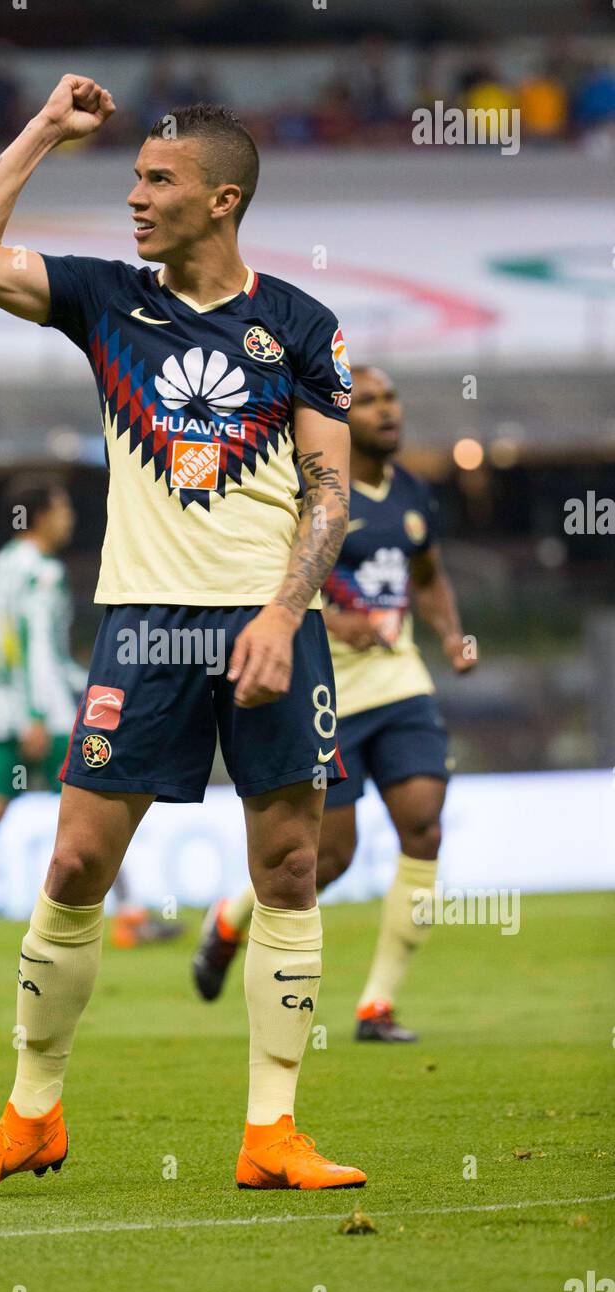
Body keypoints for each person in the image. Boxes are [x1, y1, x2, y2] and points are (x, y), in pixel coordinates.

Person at [0, 73, 364, 1198]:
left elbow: (329, 493)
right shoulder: (108, 299)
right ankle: (29, 1115)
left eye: (157, 180)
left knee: (292, 867)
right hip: (146, 625)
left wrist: (283, 612)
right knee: (74, 862)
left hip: (272, 626)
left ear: (222, 200)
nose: (134, 195)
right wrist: (41, 132)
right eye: (130, 177)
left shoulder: (303, 328)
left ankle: (272, 1131)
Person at [193, 366, 478, 1040]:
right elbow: (276, 571)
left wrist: (449, 634)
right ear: (341, 420)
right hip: (326, 689)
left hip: (399, 683)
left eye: (391, 398)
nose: (386, 411)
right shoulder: (312, 489)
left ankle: (376, 1006)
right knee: (327, 859)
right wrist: (326, 619)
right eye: (369, 401)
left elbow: (428, 574)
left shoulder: (412, 493)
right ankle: (229, 918)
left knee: (424, 825)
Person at [0, 479, 167, 951]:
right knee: (99, 807)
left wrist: (17, 703)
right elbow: (36, 646)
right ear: (41, 515)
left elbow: (3, 645)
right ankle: (132, 916)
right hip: (46, 716)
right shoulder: (44, 573)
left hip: (1, 709)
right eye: (63, 507)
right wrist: (38, 711)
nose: (69, 517)